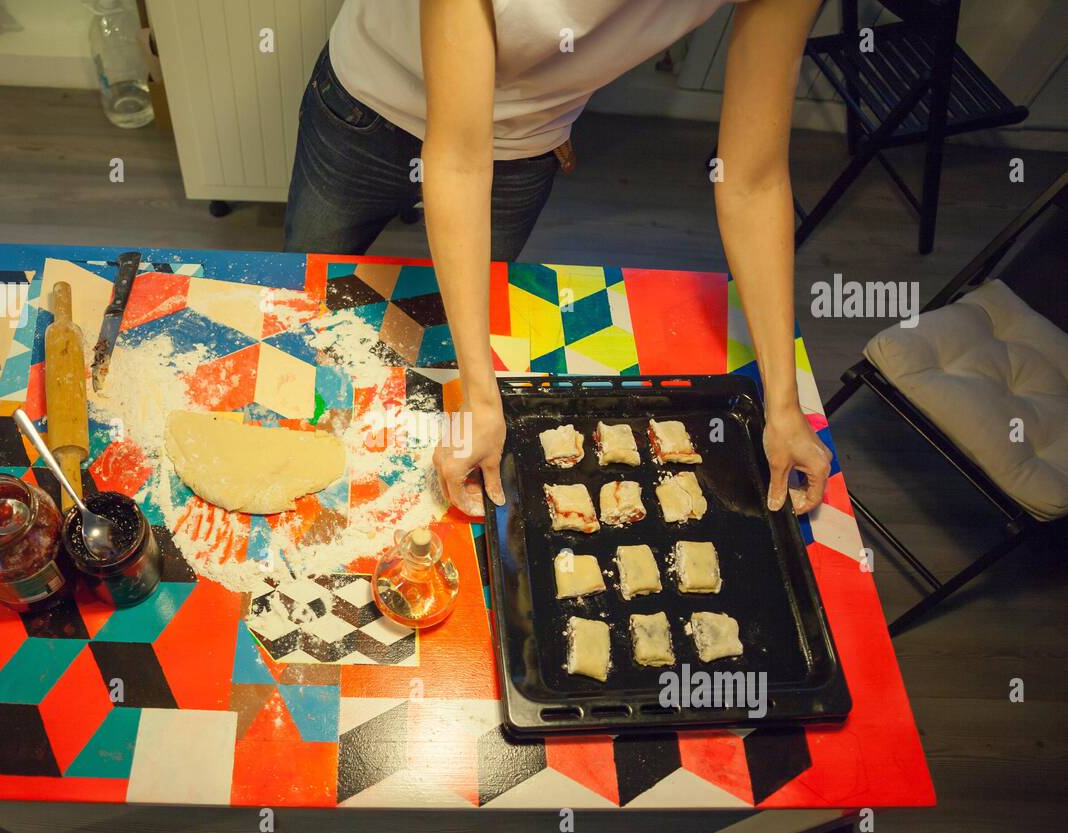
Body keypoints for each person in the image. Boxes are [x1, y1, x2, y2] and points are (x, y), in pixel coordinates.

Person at [285, 0, 833, 518]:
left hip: (522, 143)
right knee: (296, 318)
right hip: (365, 106)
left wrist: (783, 406)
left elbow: (752, 179)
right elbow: (456, 157)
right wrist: (482, 396)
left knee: (457, 343)